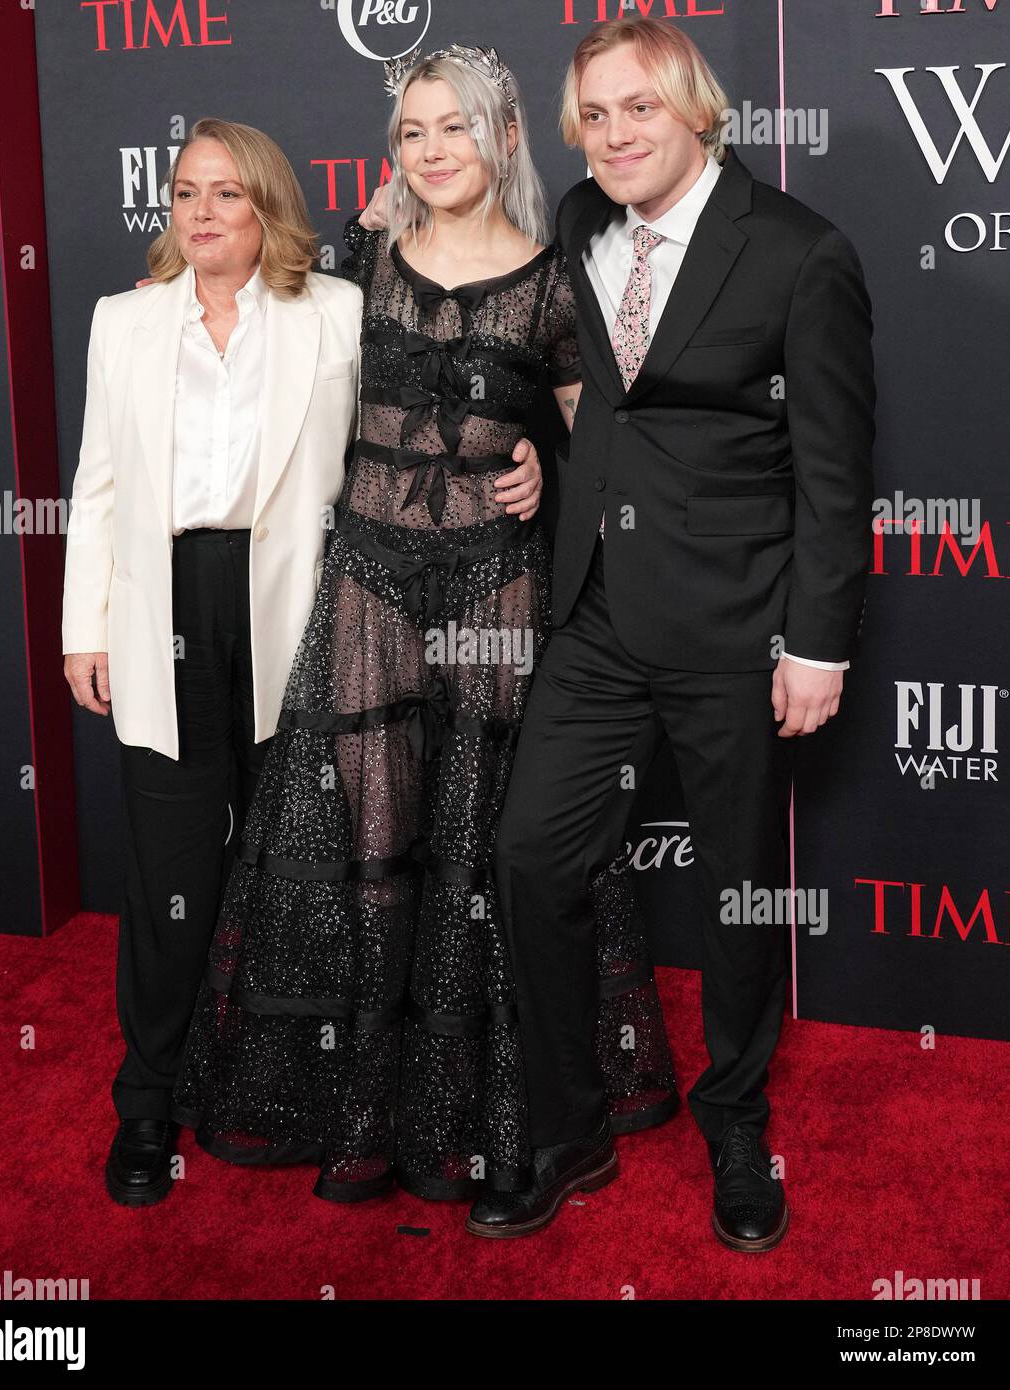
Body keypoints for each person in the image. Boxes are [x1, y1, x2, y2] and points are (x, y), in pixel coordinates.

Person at [170, 44, 678, 1211]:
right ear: (394, 149)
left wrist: (549, 475)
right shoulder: (359, 263)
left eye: (456, 127)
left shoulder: (558, 285)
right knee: (374, 846)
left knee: (475, 852)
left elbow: (595, 440)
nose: (434, 149)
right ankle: (362, 1113)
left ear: (502, 137)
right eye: (412, 131)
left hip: (495, 597)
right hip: (368, 588)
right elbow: (247, 335)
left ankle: (481, 1115)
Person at [465, 18, 875, 1246]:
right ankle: (567, 1117)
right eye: (593, 116)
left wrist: (817, 641)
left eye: (638, 109)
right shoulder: (583, 227)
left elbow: (834, 471)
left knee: (739, 893)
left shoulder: (801, 255)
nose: (614, 135)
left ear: (697, 111)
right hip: (592, 612)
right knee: (532, 859)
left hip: (735, 631)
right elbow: (589, 390)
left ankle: (736, 1122)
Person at [63, 118, 387, 1207]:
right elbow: (98, 484)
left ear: (269, 210)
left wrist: (527, 450)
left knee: (304, 867)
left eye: (228, 195)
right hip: (163, 613)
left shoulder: (333, 315)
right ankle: (147, 1105)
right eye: (187, 192)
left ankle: (298, 1088)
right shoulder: (124, 322)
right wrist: (83, 627)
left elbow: (407, 434)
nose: (202, 212)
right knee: (169, 874)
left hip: (294, 610)